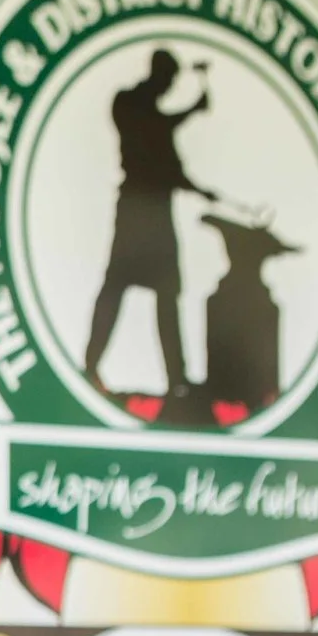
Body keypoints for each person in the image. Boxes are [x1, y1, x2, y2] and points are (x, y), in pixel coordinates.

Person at [84, 48, 214, 395]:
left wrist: (199, 188)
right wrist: (191, 111)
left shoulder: (151, 114)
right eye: (169, 80)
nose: (170, 88)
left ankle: (176, 379)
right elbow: (157, 143)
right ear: (158, 74)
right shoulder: (128, 104)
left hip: (156, 211)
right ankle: (90, 365)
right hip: (137, 212)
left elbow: (166, 149)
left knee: (167, 294)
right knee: (117, 287)